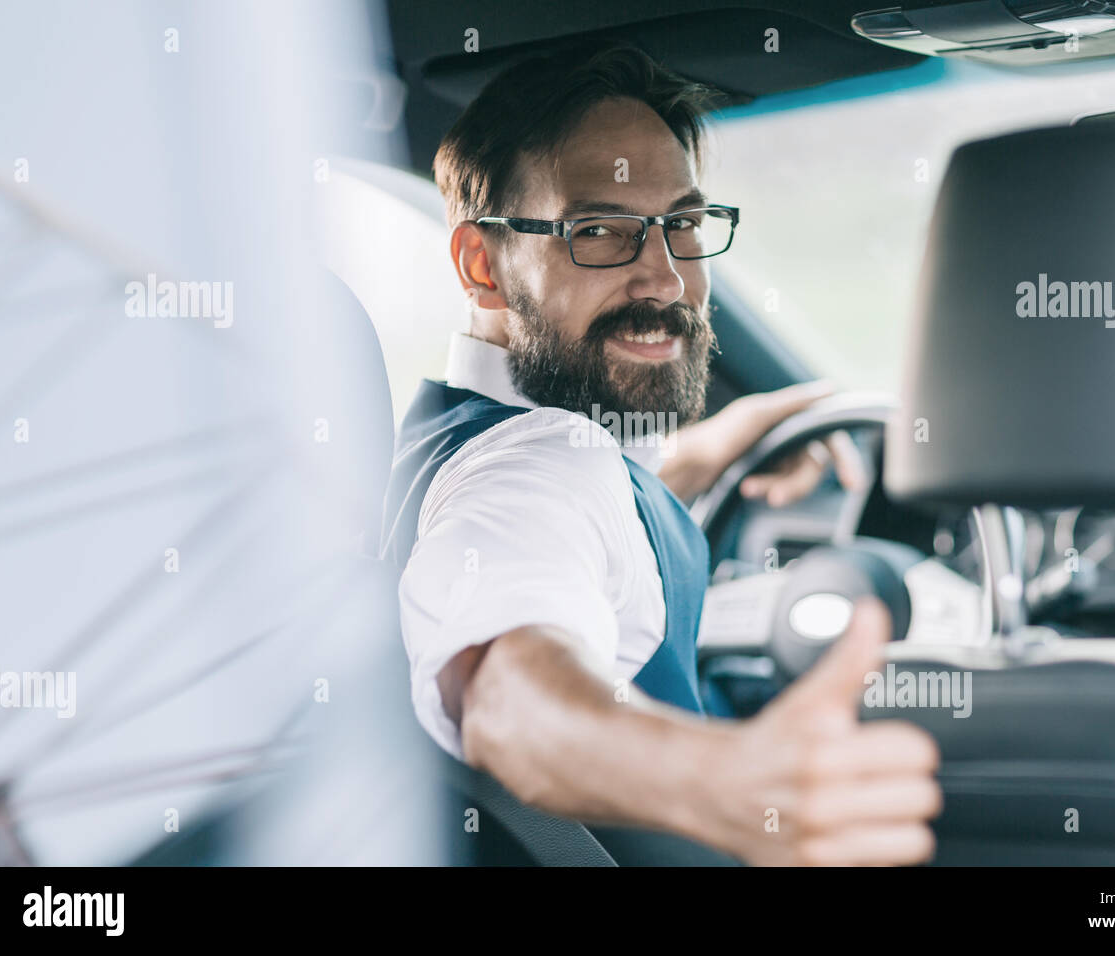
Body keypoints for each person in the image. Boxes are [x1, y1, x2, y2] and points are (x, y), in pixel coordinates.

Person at [381, 41, 940, 866]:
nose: (666, 280)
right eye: (599, 231)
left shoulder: (442, 443)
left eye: (681, 225)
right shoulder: (542, 465)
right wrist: (727, 778)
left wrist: (703, 451)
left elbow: (572, 525)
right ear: (483, 266)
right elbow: (507, 693)